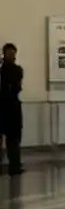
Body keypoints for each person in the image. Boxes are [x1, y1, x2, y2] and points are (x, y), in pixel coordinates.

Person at [0, 43, 24, 176]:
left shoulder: (17, 69)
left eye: (13, 53)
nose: (12, 56)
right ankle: (13, 166)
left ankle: (14, 166)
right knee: (11, 139)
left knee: (14, 139)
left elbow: (15, 87)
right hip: (5, 107)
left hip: (12, 108)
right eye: (10, 53)